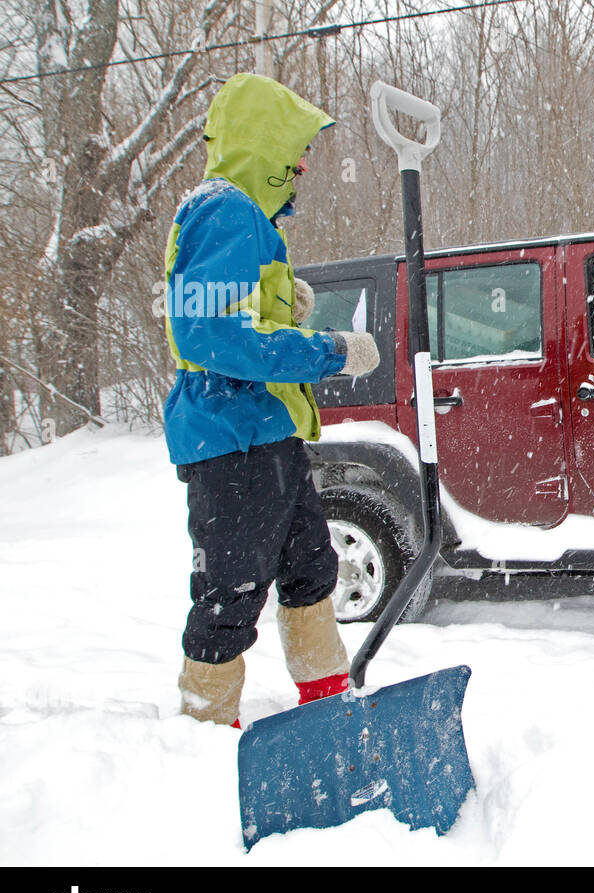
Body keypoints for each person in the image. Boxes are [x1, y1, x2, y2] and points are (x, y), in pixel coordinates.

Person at [163, 73, 379, 727]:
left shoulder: (245, 218)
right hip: (231, 436)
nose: (305, 164)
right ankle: (202, 730)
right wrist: (327, 351)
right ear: (262, 144)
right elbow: (209, 333)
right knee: (232, 590)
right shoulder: (223, 210)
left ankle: (326, 700)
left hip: (266, 431)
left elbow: (234, 315)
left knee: (312, 567)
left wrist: (286, 308)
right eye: (295, 150)